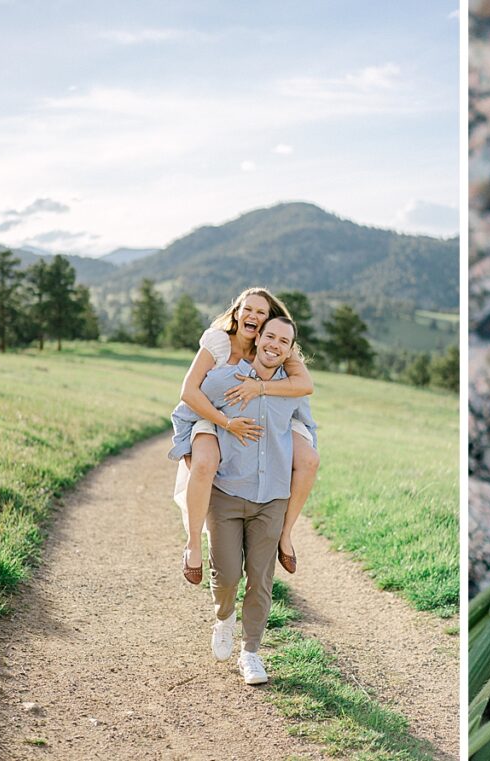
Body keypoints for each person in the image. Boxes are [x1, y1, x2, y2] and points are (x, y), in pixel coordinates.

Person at [167, 288, 320, 584]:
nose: (253, 315)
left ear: (267, 320)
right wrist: (226, 423)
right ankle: (193, 544)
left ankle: (286, 534)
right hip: (211, 411)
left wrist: (259, 388)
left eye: (261, 312)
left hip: (271, 409)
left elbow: (305, 385)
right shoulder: (218, 342)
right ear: (236, 312)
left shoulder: (275, 343)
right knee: (204, 463)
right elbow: (189, 392)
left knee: (309, 460)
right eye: (247, 309)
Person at [192, 315, 310, 684]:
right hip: (227, 493)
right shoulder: (223, 380)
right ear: (257, 339)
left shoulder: (292, 390)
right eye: (270, 336)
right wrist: (194, 452)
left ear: (290, 351)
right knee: (227, 575)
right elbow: (188, 408)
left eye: (284, 341)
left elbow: (308, 428)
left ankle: (251, 653)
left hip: (271, 497)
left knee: (260, 579)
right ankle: (224, 618)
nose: (275, 345)